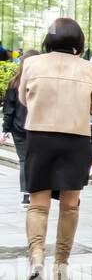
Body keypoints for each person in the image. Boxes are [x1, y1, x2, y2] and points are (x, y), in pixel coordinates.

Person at [19, 18, 92, 280]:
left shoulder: (33, 64)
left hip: (40, 137)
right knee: (69, 206)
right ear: (78, 43)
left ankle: (36, 257)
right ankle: (61, 265)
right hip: (76, 140)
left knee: (38, 204)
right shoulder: (89, 69)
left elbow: (24, 97)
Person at [3, 56, 30, 204]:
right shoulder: (39, 83)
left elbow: (9, 110)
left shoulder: (14, 83)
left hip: (18, 128)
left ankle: (27, 195)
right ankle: (35, 192)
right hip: (36, 128)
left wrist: (5, 130)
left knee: (24, 161)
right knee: (34, 160)